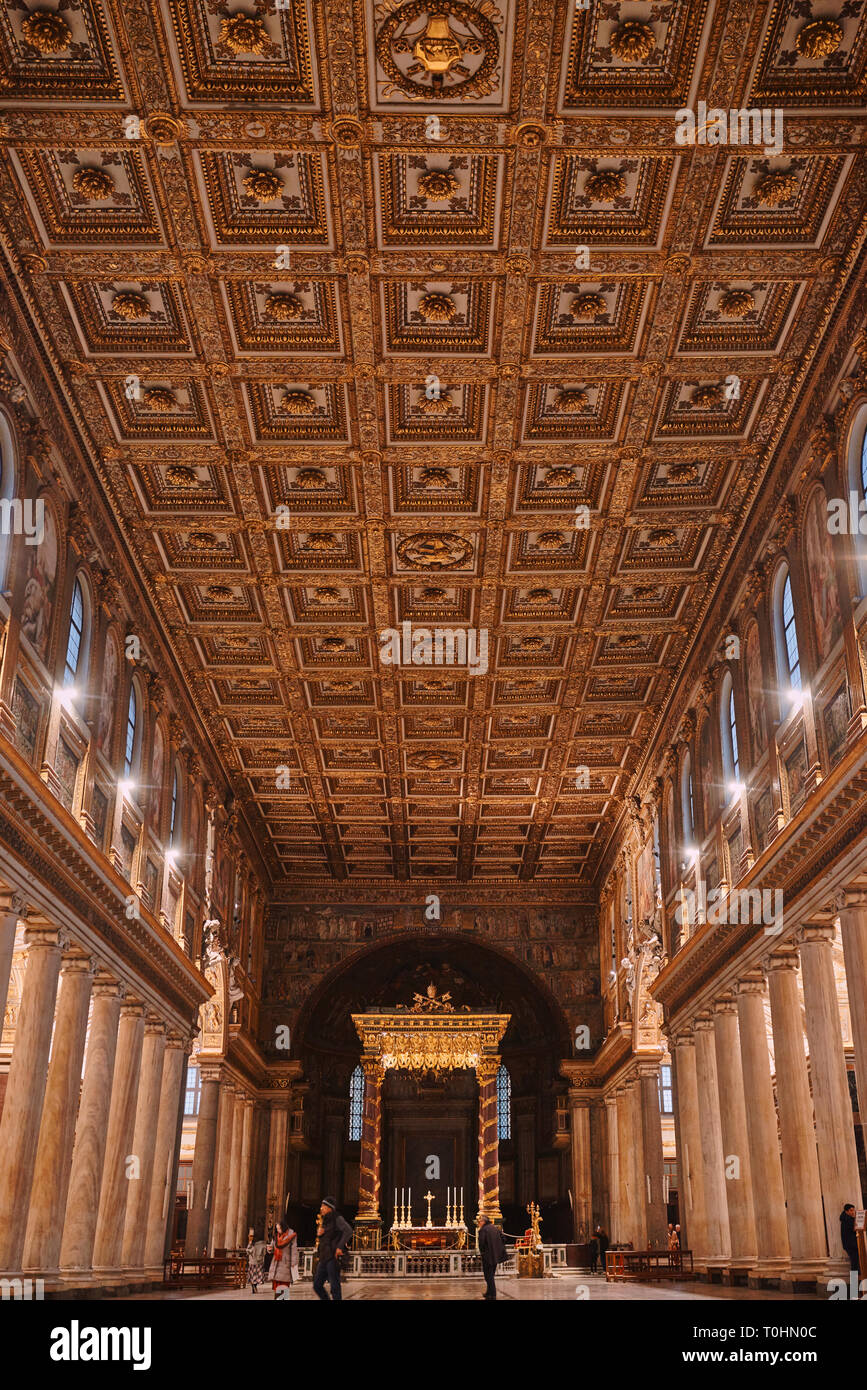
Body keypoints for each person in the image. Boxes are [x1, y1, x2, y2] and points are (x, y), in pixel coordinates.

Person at [313, 1197, 352, 1301]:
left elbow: (348, 1231)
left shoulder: (337, 1218)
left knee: (334, 1286)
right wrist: (321, 1234)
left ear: (329, 1208)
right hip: (324, 1256)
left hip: (333, 1256)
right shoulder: (325, 1220)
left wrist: (339, 1247)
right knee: (317, 1285)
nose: (321, 1208)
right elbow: (328, 1236)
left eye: (323, 1206)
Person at [266, 1218, 298, 1300]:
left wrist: (294, 1262)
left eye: (279, 1228)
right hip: (276, 1262)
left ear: (283, 1227)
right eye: (277, 1229)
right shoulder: (276, 1236)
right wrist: (270, 1249)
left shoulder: (291, 1236)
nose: (278, 1230)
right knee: (277, 1285)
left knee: (284, 1285)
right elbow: (273, 1246)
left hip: (285, 1262)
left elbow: (294, 1249)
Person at [477, 1214, 507, 1300]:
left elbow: (481, 1243)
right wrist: (498, 1247)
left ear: (483, 1221)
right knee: (491, 1275)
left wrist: (483, 1252)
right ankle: (488, 1293)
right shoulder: (495, 1228)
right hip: (496, 1256)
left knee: (488, 1276)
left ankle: (493, 1294)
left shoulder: (483, 1230)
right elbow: (504, 1239)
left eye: (479, 1221)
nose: (479, 1223)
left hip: (487, 1256)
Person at [245, 1227, 268, 1294]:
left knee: (252, 1275)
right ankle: (255, 1286)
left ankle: (253, 1286)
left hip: (252, 1261)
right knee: (257, 1275)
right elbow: (264, 1253)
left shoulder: (252, 1243)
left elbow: (247, 1251)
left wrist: (251, 1251)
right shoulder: (263, 1244)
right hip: (259, 1261)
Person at [840, 1204, 859, 1271]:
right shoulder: (847, 1220)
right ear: (846, 1211)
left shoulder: (846, 1218)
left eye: (853, 1210)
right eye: (851, 1210)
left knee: (855, 1263)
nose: (853, 1212)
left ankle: (857, 1276)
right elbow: (854, 1228)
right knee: (854, 1263)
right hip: (851, 1245)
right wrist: (855, 1219)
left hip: (850, 1245)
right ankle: (854, 1278)